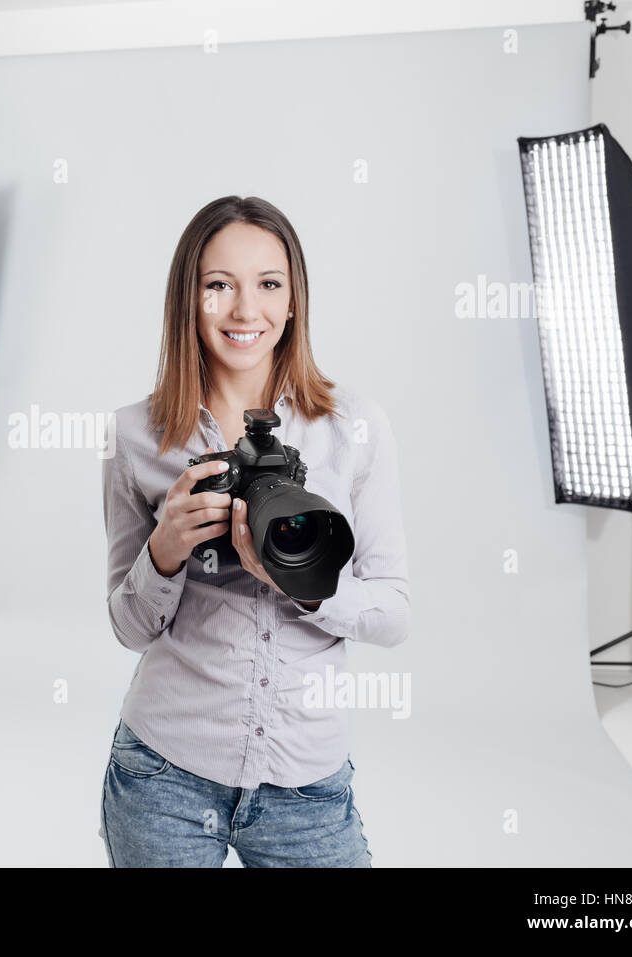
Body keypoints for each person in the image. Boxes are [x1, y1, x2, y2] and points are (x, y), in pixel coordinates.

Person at [98, 195, 410, 867]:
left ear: (294, 298)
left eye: (269, 283)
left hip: (308, 788)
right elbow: (127, 626)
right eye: (219, 286)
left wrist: (304, 584)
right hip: (163, 777)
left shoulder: (355, 427)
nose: (246, 310)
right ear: (191, 299)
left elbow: (393, 612)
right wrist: (164, 552)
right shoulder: (133, 435)